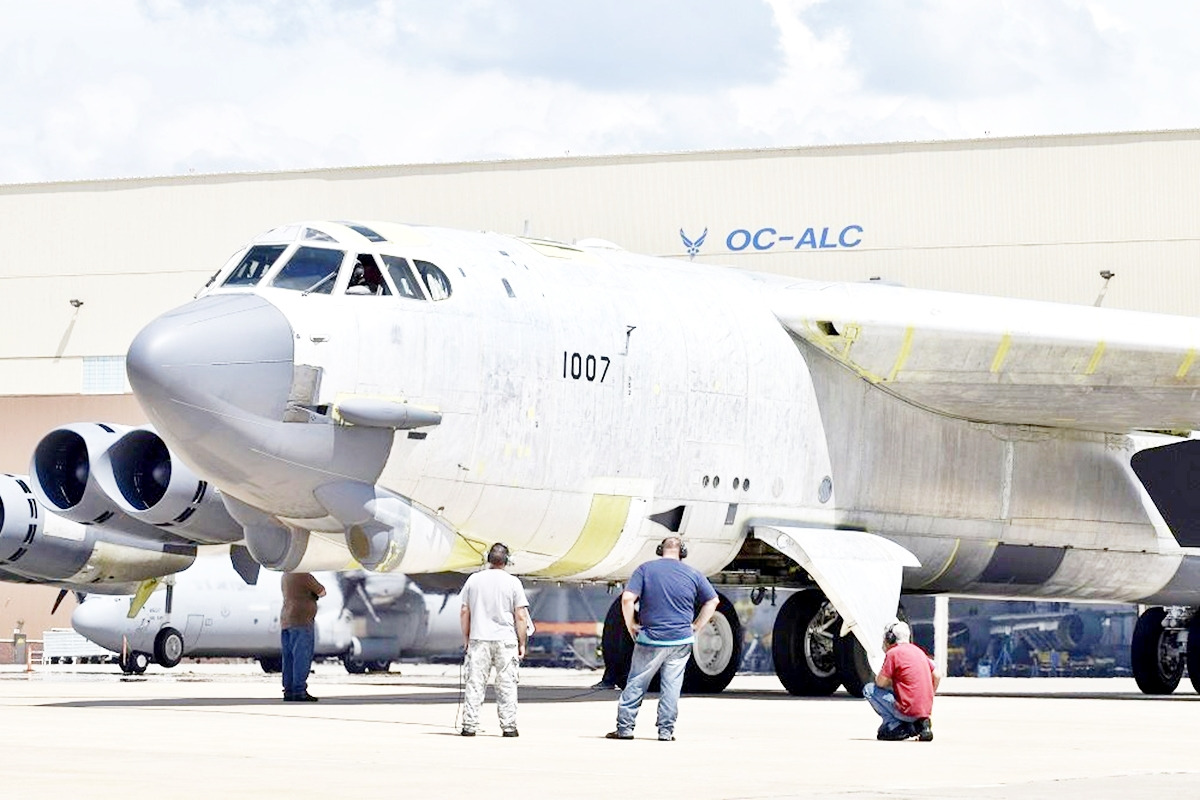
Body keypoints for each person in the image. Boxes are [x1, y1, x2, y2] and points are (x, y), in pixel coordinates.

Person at [606, 536, 719, 742]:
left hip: (651, 638)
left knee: (637, 682)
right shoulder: (694, 573)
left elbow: (627, 599)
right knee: (672, 686)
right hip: (681, 640)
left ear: (660, 550)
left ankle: (625, 729)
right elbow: (712, 600)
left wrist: (631, 624)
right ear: (682, 552)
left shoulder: (645, 570)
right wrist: (697, 625)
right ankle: (665, 732)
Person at [459, 542, 529, 737]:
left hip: (479, 639)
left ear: (487, 559)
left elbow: (465, 611)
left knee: (475, 684)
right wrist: (521, 643)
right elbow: (521, 615)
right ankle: (509, 727)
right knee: (507, 684)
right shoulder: (513, 582)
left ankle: (469, 726)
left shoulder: (473, 580)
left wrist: (466, 638)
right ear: (507, 561)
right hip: (506, 641)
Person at [863, 620, 941, 741]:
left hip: (907, 710)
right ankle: (921, 724)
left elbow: (881, 683)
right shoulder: (918, 651)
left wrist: (889, 681)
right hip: (925, 710)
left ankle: (897, 726)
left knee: (869, 689)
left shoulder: (893, 653)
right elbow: (937, 675)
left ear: (890, 638)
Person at [280, 571, 326, 702]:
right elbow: (322, 591)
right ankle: (299, 690)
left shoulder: (285, 576)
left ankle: (289, 691)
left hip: (286, 620)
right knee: (302, 657)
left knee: (289, 659)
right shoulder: (304, 575)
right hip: (301, 621)